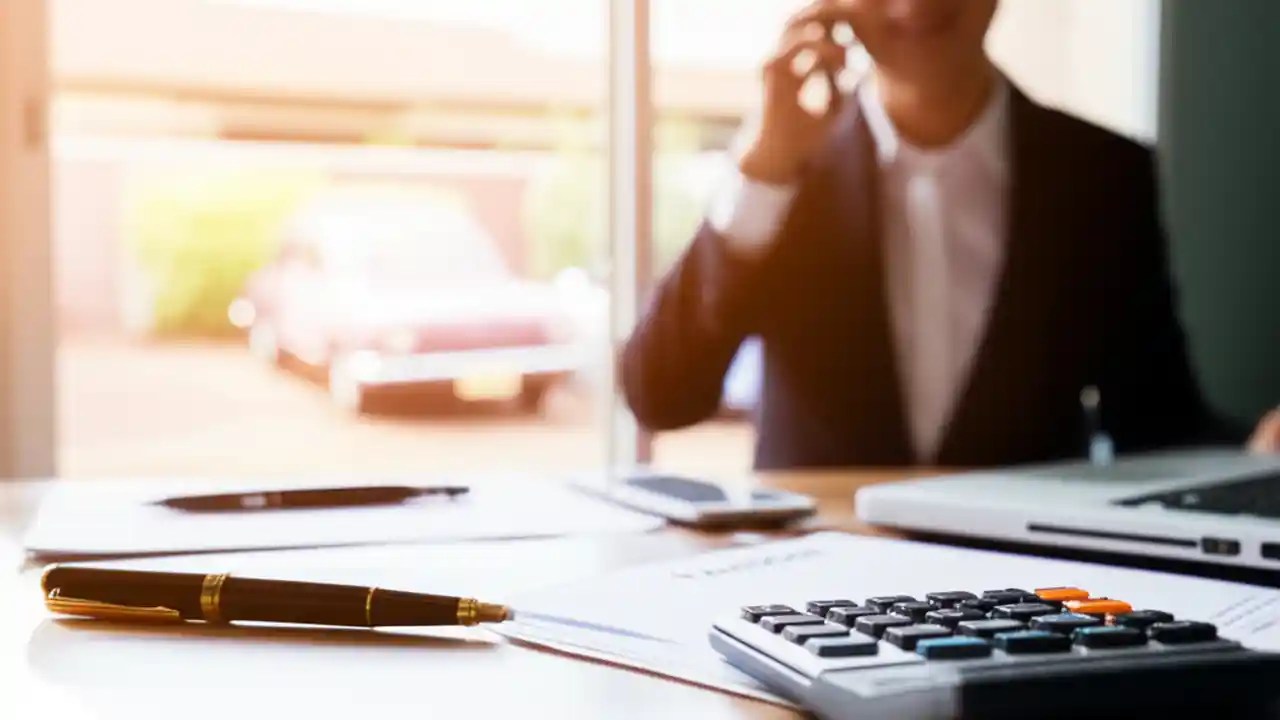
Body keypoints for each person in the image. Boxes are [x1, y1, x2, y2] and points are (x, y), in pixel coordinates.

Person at [623, 0, 1280, 469]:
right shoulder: (786, 169)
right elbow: (662, 395)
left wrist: (1253, 448)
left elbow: (1155, 420)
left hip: (1025, 602)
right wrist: (764, 178)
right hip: (815, 585)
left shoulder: (1102, 173)